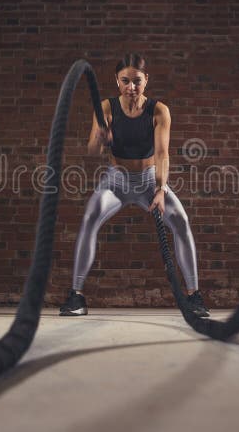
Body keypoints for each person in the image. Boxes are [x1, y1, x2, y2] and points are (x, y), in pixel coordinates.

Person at [59, 53, 210, 317]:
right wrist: (101, 137)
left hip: (149, 180)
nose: (131, 87)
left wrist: (161, 190)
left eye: (136, 81)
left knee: (182, 222)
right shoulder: (106, 107)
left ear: (146, 80)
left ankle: (194, 296)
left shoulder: (159, 111)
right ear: (117, 81)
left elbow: (163, 154)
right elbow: (93, 152)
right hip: (115, 181)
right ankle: (76, 297)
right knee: (90, 217)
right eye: (125, 81)